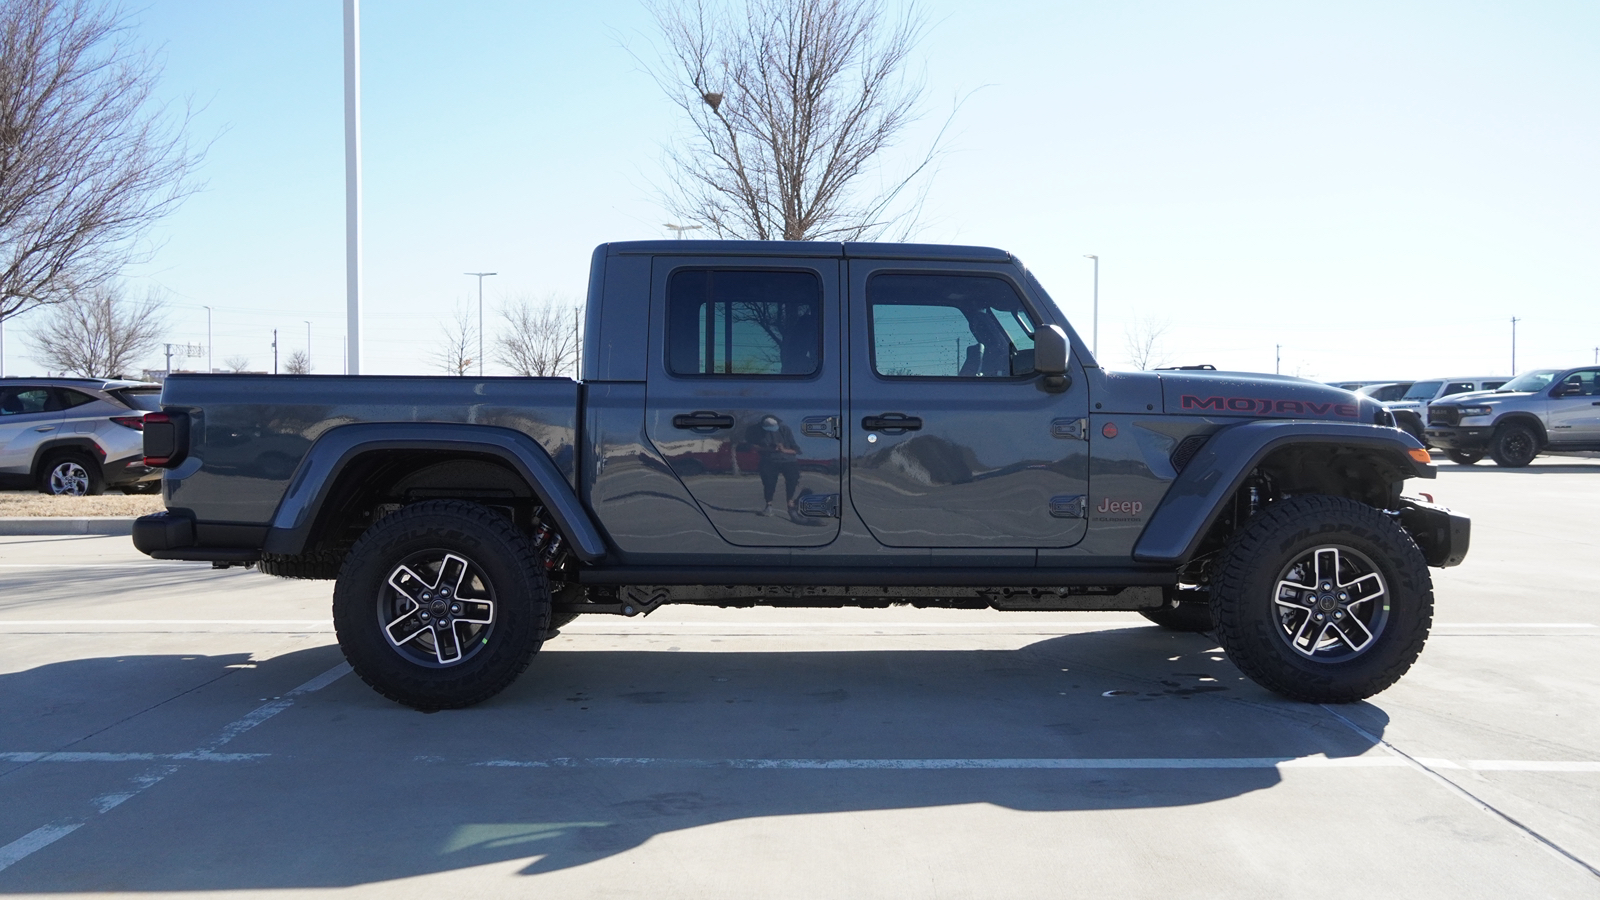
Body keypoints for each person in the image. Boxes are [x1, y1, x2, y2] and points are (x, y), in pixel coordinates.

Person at [746, 415, 801, 516]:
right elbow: (752, 446)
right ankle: (768, 505)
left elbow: (795, 450)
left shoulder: (785, 429)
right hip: (768, 460)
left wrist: (783, 450)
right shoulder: (755, 430)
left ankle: (790, 503)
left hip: (788, 460)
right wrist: (768, 449)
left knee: (792, 479)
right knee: (769, 482)